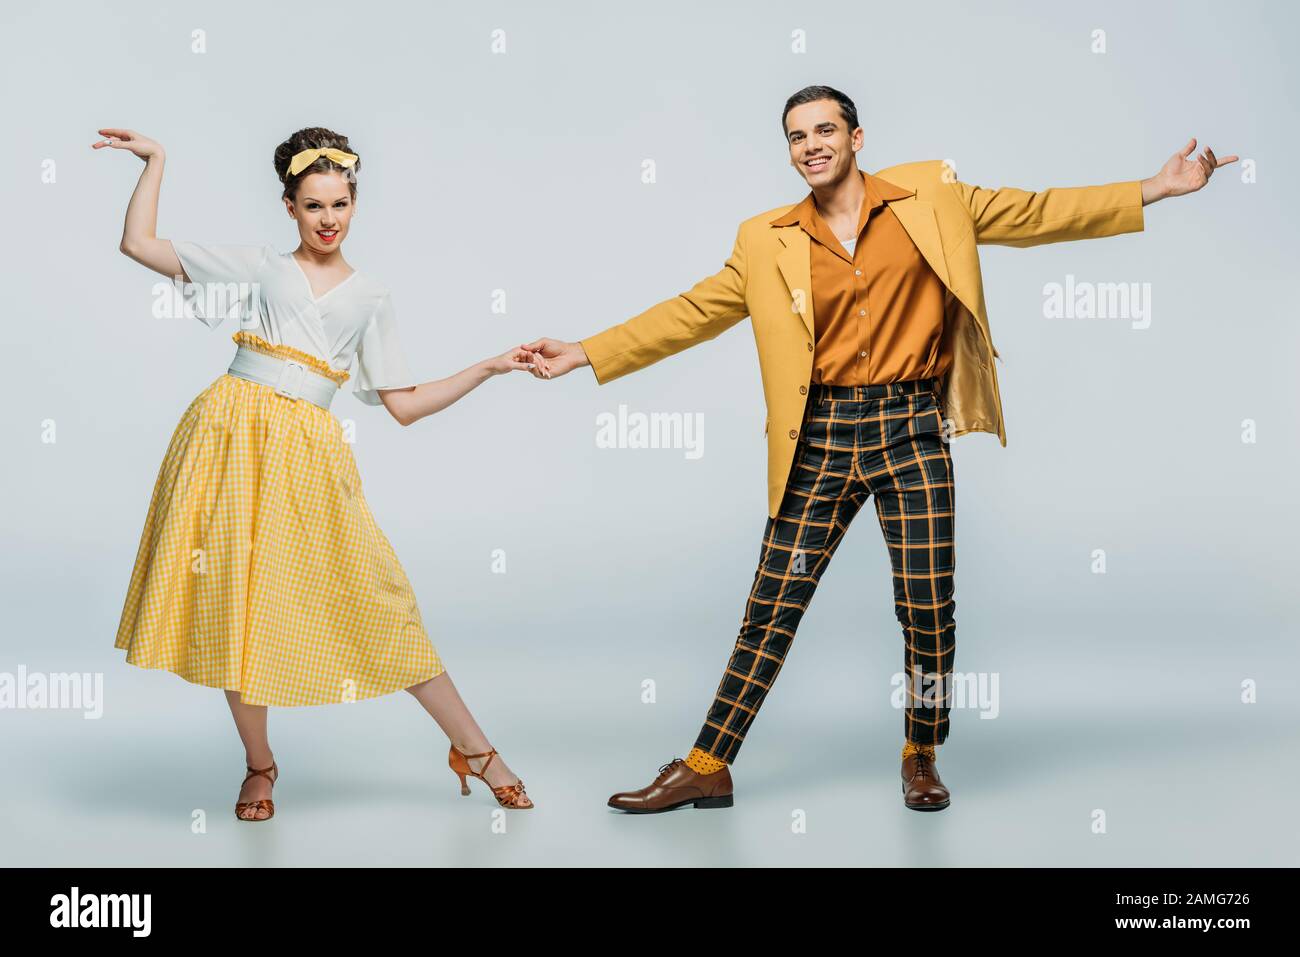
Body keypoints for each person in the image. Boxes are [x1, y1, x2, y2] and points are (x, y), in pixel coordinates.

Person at [520, 85, 1237, 813]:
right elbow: (692, 312)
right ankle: (708, 764)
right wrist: (586, 351)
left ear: (857, 138)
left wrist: (1155, 188)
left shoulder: (932, 195)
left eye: (825, 130)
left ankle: (920, 751)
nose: (812, 145)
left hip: (911, 428)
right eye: (797, 136)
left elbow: (1037, 213)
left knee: (927, 604)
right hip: (820, 437)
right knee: (772, 603)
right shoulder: (766, 238)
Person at [100, 125, 539, 819]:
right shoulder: (261, 268)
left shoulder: (371, 296)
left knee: (382, 598)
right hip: (227, 436)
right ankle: (260, 766)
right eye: (313, 206)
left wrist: (488, 366)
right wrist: (156, 161)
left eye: (339, 204)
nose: (328, 219)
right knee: (239, 605)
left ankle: (477, 751)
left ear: (354, 203)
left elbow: (404, 404)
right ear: (290, 207)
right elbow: (138, 244)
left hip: (307, 452)